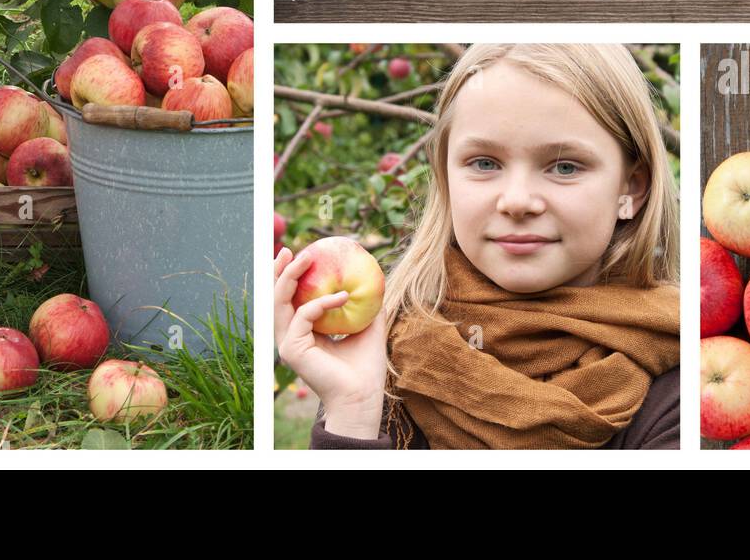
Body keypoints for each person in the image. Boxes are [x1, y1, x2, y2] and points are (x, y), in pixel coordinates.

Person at [275, 43, 680, 449]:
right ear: (447, 178)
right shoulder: (389, 366)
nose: (517, 201)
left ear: (631, 188)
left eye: (564, 166)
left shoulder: (678, 379)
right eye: (485, 163)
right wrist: (352, 411)